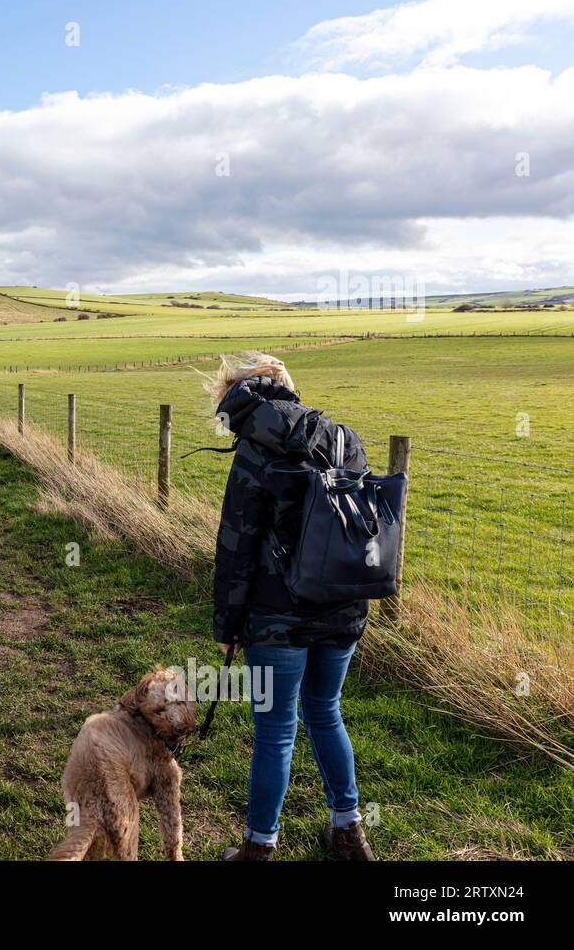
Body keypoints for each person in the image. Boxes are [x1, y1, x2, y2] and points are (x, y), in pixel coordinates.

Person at [206, 353, 375, 862]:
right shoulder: (346, 439)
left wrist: (228, 624)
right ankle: (348, 832)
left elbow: (237, 547)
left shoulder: (254, 451)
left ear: (240, 399)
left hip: (275, 615)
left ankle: (259, 847)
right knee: (326, 712)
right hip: (343, 603)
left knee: (275, 731)